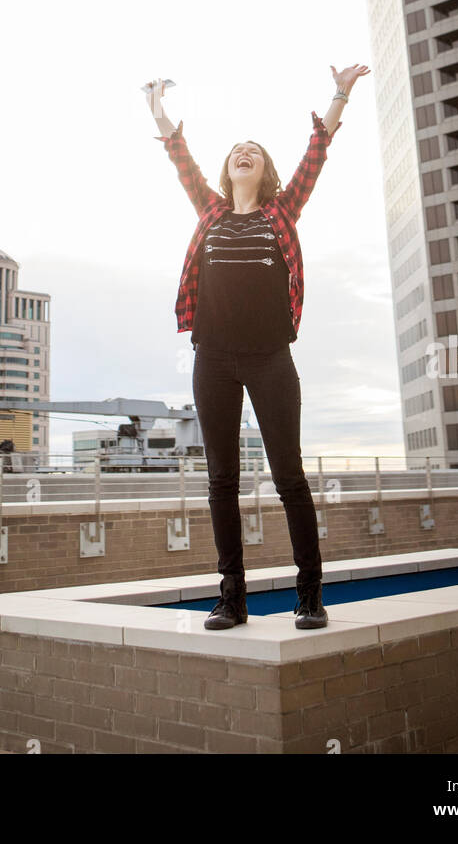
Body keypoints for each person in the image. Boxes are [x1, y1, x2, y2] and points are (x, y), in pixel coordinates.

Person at [147, 66, 369, 631]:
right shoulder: (211, 210)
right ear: (227, 169)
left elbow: (317, 152)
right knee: (220, 478)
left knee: (288, 474)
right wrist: (158, 110)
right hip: (213, 358)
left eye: (255, 151)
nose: (244, 153)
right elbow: (180, 159)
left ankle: (310, 594)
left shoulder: (281, 212)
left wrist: (340, 94)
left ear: (266, 170)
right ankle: (231, 598)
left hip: (271, 358)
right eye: (237, 150)